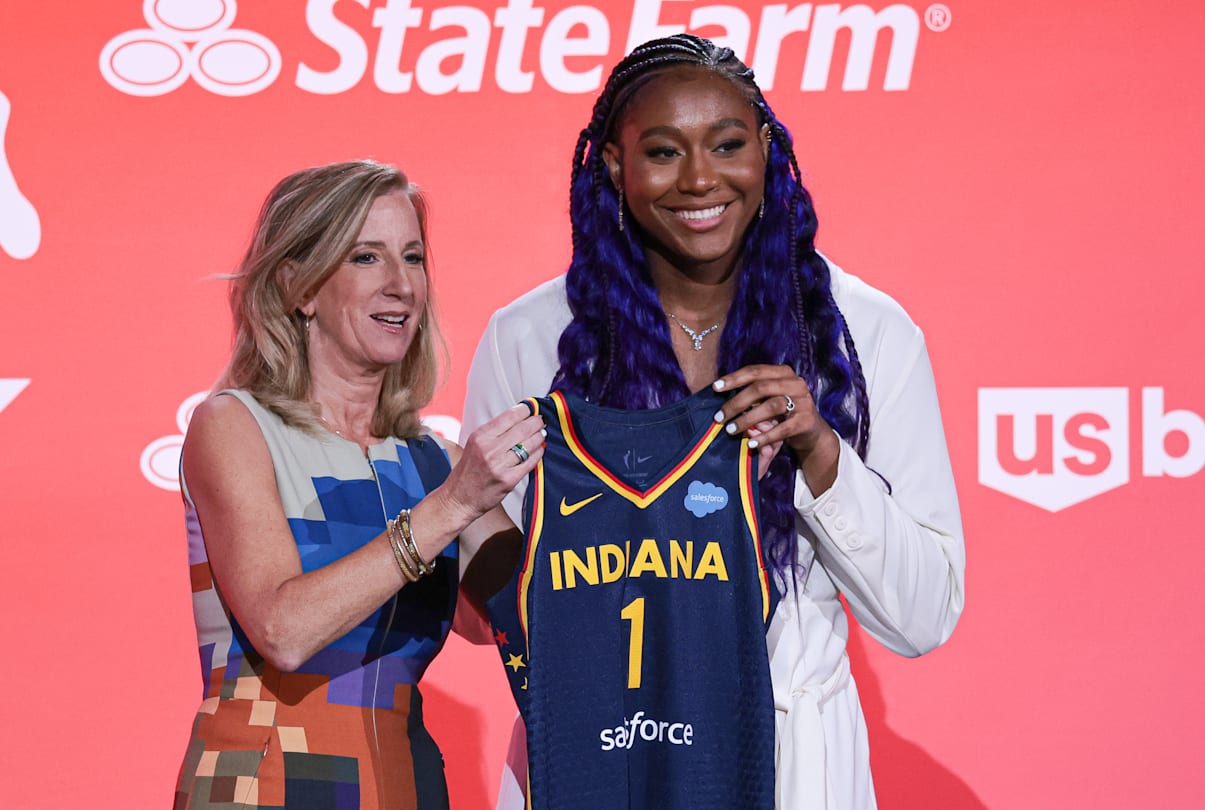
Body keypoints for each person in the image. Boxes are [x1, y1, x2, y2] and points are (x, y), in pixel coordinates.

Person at [462, 35, 965, 810]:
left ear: (766, 151)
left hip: (792, 767)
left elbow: (923, 617)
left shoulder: (863, 335)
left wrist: (819, 455)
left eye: (728, 145)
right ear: (612, 166)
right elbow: (492, 581)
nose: (701, 179)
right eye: (663, 152)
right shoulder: (531, 336)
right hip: (598, 765)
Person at [173, 160, 545, 810]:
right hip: (264, 785)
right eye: (367, 257)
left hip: (406, 785)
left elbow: (516, 621)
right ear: (299, 287)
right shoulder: (234, 427)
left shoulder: (435, 461)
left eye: (413, 257)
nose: (401, 285)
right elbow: (283, 630)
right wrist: (451, 507)